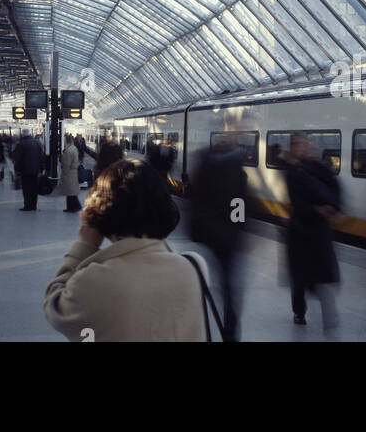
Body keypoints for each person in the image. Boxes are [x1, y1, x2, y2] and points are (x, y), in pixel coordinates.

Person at [44, 160, 206, 341]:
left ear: (101, 213)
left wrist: (85, 244)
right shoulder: (194, 267)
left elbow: (55, 307)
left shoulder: (94, 281)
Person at [188, 141, 248, 340]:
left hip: (209, 233)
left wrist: (197, 228)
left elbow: (196, 200)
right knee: (228, 284)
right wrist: (236, 230)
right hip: (228, 236)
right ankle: (231, 330)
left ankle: (208, 321)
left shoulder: (204, 167)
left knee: (207, 277)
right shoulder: (237, 172)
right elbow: (239, 203)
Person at [283, 134, 342, 333]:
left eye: (305, 144)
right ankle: (299, 311)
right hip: (300, 230)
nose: (304, 149)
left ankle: (329, 315)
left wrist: (332, 208)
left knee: (322, 276)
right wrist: (317, 210)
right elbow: (295, 201)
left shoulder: (321, 168)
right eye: (298, 145)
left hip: (319, 232)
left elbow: (336, 190)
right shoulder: (293, 170)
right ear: (293, 148)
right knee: (299, 277)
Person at [13, 129, 44, 211]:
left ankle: (27, 206)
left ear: (23, 135)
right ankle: (34, 206)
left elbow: (18, 159)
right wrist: (42, 169)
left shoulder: (21, 144)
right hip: (35, 170)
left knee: (26, 189)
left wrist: (17, 170)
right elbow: (41, 157)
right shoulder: (37, 143)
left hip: (25, 171)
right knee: (34, 189)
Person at [57, 135, 82, 213]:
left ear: (66, 141)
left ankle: (75, 207)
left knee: (70, 191)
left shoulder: (68, 151)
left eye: (64, 141)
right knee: (70, 191)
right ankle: (71, 207)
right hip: (73, 172)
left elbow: (66, 163)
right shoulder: (73, 148)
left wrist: (64, 172)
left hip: (69, 173)